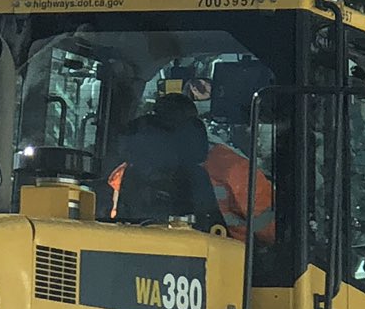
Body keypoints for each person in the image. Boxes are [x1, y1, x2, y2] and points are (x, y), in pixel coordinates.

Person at [107, 76, 274, 242]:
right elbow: (272, 232)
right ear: (195, 131)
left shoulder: (126, 176)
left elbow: (115, 228)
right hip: (230, 255)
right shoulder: (237, 170)